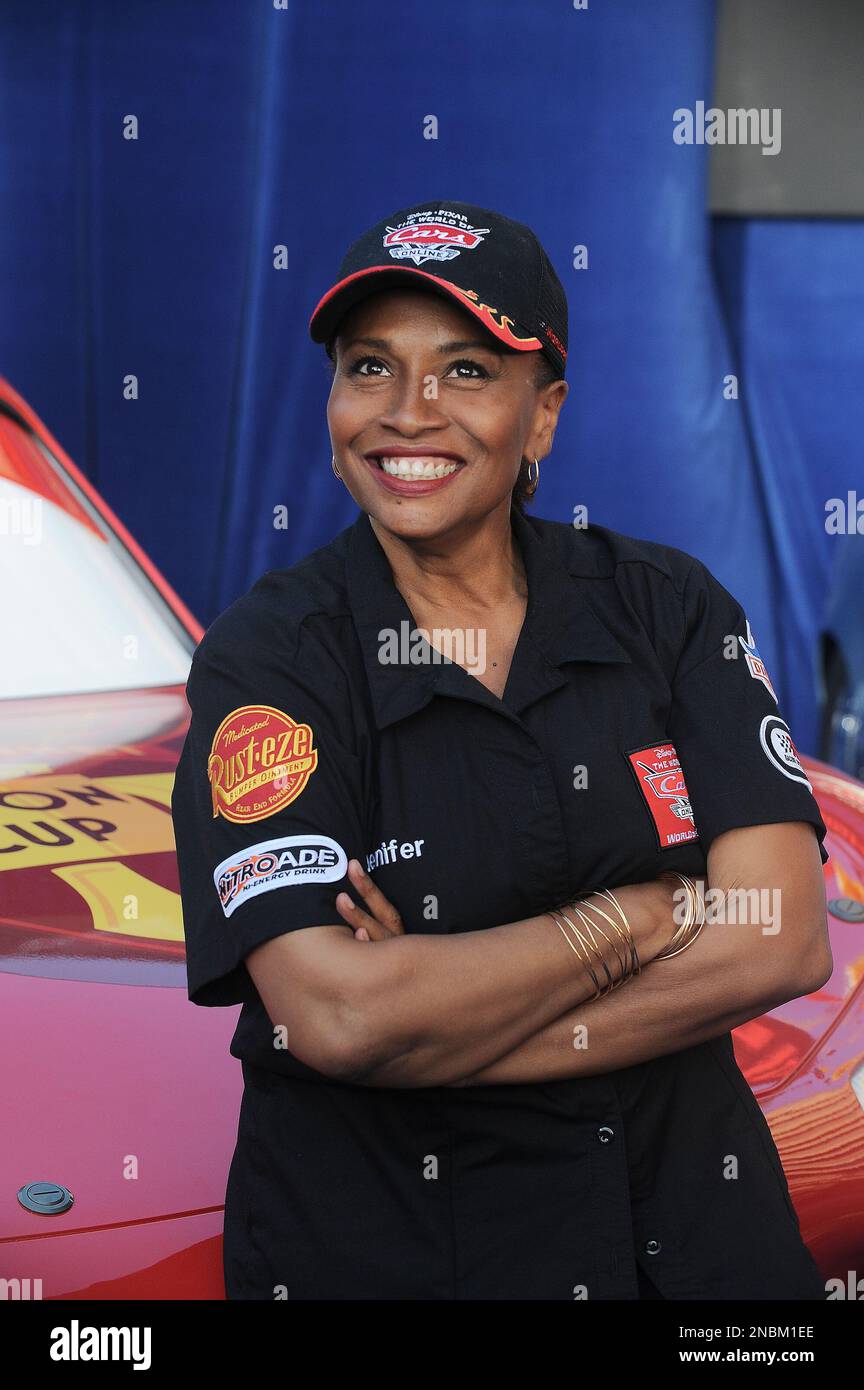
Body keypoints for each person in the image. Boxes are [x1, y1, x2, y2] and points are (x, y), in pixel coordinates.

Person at [170, 200, 833, 1301]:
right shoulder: (272, 659)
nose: (409, 413)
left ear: (544, 416)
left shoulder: (668, 606)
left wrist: (431, 1029)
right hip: (403, 1260)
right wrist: (645, 912)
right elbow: (335, 1012)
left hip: (702, 1252)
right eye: (370, 366)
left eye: (467, 370)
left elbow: (780, 940)